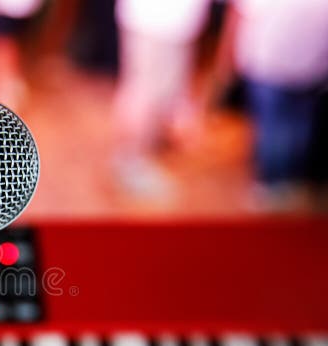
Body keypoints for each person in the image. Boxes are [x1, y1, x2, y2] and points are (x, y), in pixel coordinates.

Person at [216, 0, 328, 206]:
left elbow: (239, 17)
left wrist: (227, 59)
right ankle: (289, 182)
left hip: (269, 65)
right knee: (298, 126)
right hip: (308, 68)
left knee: (274, 128)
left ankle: (273, 185)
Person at [112, 0, 212, 196]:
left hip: (162, 23)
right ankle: (131, 162)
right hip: (160, 24)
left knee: (148, 91)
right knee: (145, 94)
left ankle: (133, 159)